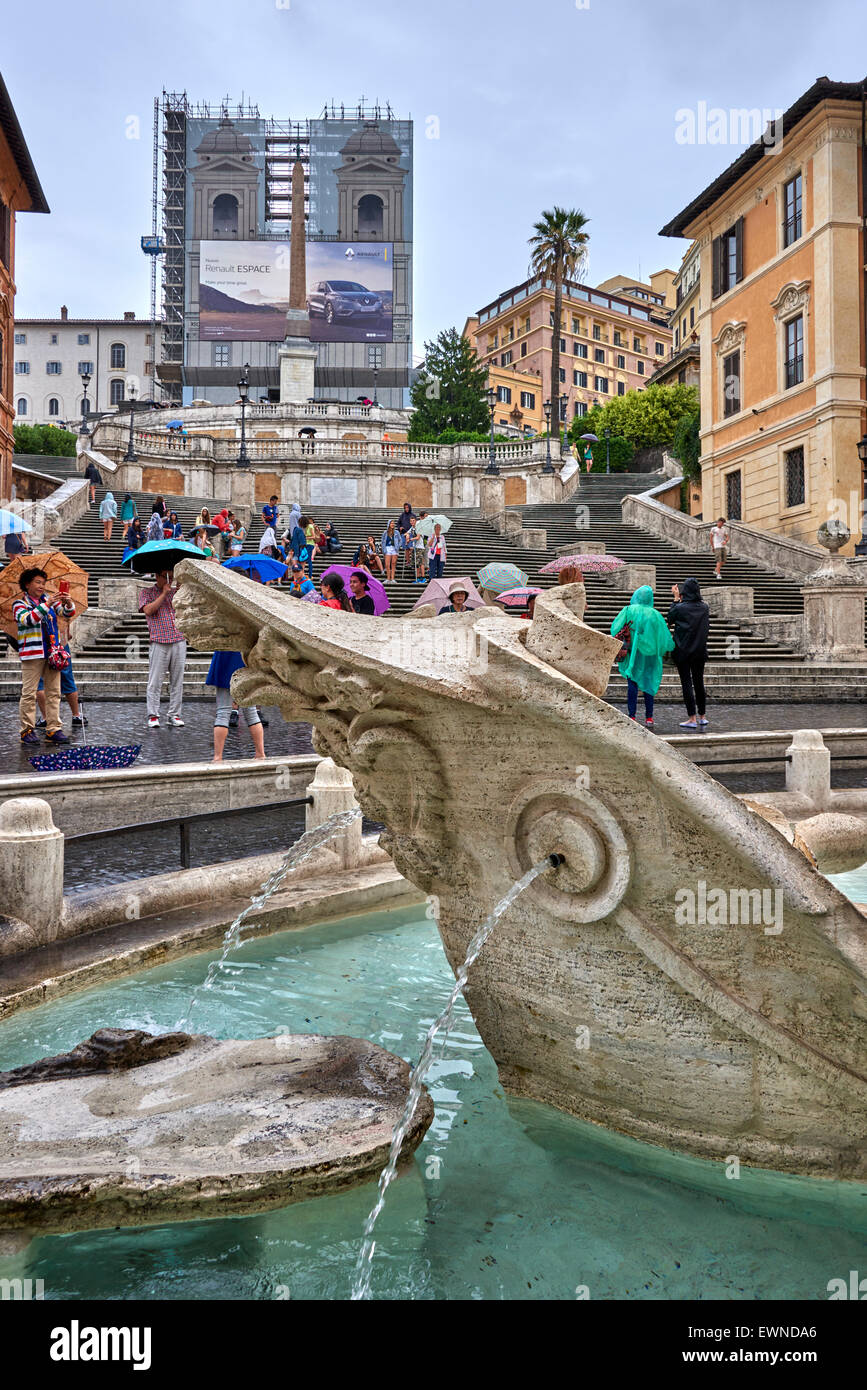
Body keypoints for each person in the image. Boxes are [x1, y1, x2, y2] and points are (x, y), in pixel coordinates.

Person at [13, 567, 75, 745]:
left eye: (43, 583)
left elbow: (66, 614)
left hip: (52, 653)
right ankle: (27, 730)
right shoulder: (19, 604)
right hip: (32, 654)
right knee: (29, 693)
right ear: (27, 584)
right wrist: (46, 606)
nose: (42, 586)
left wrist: (68, 603)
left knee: (54, 693)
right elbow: (27, 619)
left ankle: (53, 728)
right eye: (38, 582)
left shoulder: (48, 599)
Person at [610, 584, 673, 729]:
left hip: (633, 651)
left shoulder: (628, 610)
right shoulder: (655, 614)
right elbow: (664, 637)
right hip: (650, 654)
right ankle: (649, 717)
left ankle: (632, 715)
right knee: (649, 682)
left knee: (632, 681)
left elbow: (615, 628)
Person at [139, 568, 186, 729]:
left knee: (177, 681)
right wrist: (163, 594)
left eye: (171, 577)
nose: (169, 580)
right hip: (159, 641)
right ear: (157, 576)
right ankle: (153, 715)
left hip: (178, 639)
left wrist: (181, 592)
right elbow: (148, 610)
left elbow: (186, 610)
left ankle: (175, 714)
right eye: (166, 577)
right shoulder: (147, 592)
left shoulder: (175, 592)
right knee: (155, 681)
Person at [206, 649, 265, 762]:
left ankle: (217, 757)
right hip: (245, 659)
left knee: (223, 712)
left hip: (226, 656)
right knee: (251, 712)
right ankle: (260, 753)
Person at [668, 579, 710, 730]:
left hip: (683, 651)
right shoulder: (704, 607)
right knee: (699, 683)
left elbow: (670, 619)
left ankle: (691, 718)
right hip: (700, 651)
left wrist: (675, 599)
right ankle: (702, 716)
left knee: (687, 683)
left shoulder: (680, 607)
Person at [381, 518, 401, 583]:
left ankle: (392, 578)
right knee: (387, 564)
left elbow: (400, 540)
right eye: (391, 523)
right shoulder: (385, 532)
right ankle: (388, 578)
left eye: (393, 523)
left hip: (394, 548)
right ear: (388, 524)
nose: (392, 524)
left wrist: (398, 546)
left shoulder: (396, 532)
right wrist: (383, 549)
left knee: (393, 563)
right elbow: (382, 541)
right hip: (387, 548)